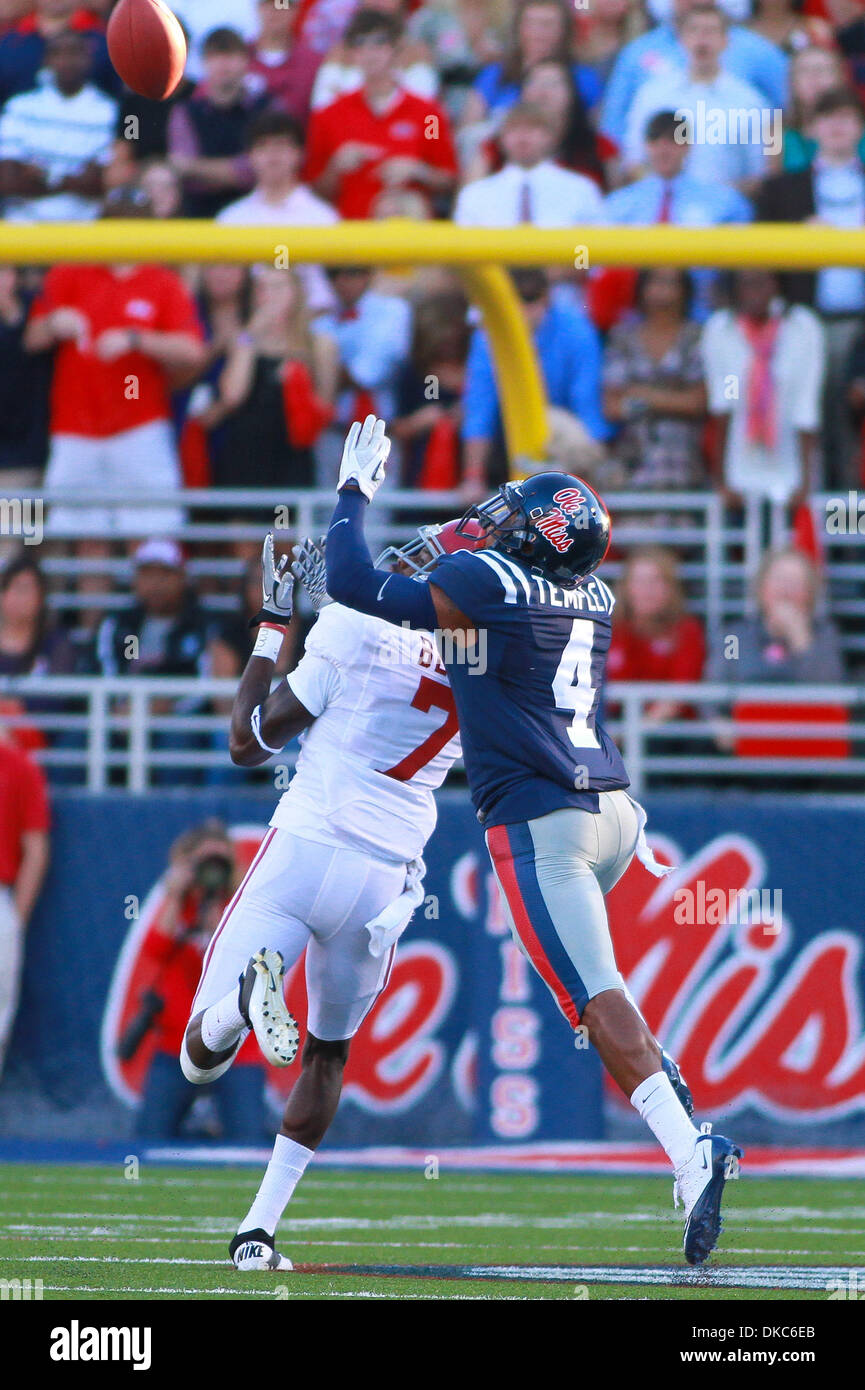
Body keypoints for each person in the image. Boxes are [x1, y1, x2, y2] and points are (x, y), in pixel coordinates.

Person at [324, 415, 742, 1268]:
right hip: (615, 812)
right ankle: (669, 1098)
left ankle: (688, 1146)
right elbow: (473, 600)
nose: (500, 514)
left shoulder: (487, 583)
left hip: (542, 818)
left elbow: (353, 583)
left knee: (594, 997)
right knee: (601, 993)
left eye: (517, 510)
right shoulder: (594, 593)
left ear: (537, 533)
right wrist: (455, 540)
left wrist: (351, 494)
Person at [179, 517, 480, 1271]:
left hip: (308, 847)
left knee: (198, 1058)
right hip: (384, 878)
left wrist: (270, 625)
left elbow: (248, 742)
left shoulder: (352, 626)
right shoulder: (492, 658)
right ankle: (258, 1233)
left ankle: (240, 1006)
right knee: (327, 1054)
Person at [24, 186, 206, 539]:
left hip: (141, 425)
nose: (124, 229)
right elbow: (32, 338)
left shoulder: (162, 281)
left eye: (134, 222)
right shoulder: (71, 271)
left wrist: (136, 339)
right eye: (117, 220)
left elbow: (193, 350)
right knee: (83, 538)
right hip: (75, 427)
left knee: (153, 536)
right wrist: (55, 322)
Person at [132, 821, 268, 1142]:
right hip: (176, 1043)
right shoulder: (180, 907)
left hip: (235, 1046)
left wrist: (217, 924)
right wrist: (177, 896)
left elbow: (248, 965)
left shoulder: (241, 907)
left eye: (219, 863)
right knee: (151, 1138)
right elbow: (156, 950)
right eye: (204, 863)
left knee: (247, 1142)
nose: (212, 873)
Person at [757, 87, 865, 486]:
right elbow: (759, 265)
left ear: (859, 127)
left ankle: (851, 542)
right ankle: (803, 532)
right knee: (802, 423)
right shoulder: (782, 189)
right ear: (813, 127)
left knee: (849, 431)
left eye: (847, 116)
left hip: (860, 327)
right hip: (801, 323)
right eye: (828, 116)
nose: (837, 125)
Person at [461, 268, 609, 495]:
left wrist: (588, 477)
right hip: (506, 441)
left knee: (559, 426)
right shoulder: (486, 335)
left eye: (529, 299)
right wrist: (473, 477)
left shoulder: (577, 330)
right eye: (512, 299)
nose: (521, 309)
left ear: (546, 298)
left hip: (570, 444)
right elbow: (480, 410)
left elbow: (587, 405)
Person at [304, 9, 457, 219]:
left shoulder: (428, 115)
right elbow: (312, 192)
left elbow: (448, 178)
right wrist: (336, 167)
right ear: (351, 54)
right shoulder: (328, 115)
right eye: (360, 44)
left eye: (379, 42)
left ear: (395, 50)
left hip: (409, 237)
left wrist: (418, 171)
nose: (369, 52)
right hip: (351, 238)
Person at [700, 269, 824, 506]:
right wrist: (721, 479)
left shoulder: (801, 328)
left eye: (761, 282)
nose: (754, 292)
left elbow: (805, 407)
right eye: (746, 283)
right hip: (740, 462)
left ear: (777, 284)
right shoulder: (724, 330)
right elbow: (726, 401)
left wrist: (806, 481)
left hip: (790, 462)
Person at [209, 266, 339, 490]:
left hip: (293, 459)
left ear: (297, 292)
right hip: (245, 457)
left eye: (278, 287)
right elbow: (232, 395)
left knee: (289, 524)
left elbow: (325, 408)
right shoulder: (243, 339)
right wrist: (250, 336)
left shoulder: (319, 344)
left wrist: (296, 385)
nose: (269, 296)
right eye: (262, 288)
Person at [622, 4, 773, 193]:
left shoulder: (751, 102)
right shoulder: (651, 95)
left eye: (710, 31)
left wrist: (716, 200)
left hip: (724, 216)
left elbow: (761, 174)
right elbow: (632, 159)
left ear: (726, 41)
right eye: (694, 30)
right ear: (681, 39)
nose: (702, 39)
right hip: (661, 215)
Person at [600, 0, 788, 144]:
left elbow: (786, 111)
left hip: (734, 181)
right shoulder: (637, 53)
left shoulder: (757, 50)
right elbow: (612, 125)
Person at [216, 112, 338, 317]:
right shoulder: (230, 218)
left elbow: (328, 290)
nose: (273, 155)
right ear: (250, 156)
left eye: (281, 145)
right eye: (263, 146)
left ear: (299, 154)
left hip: (314, 323)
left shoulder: (323, 217)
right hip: (250, 324)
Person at [602, 267, 707, 491]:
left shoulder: (697, 336)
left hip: (684, 466)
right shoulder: (623, 337)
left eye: (671, 283)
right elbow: (612, 407)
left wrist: (639, 395)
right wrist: (674, 399)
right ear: (642, 289)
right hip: (634, 464)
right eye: (656, 282)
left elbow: (698, 403)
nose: (663, 291)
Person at [0, 29, 117, 222]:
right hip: (21, 224)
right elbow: (7, 180)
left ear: (88, 58)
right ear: (46, 60)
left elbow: (102, 182)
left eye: (74, 52)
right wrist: (72, 180)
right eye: (58, 54)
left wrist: (46, 179)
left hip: (86, 225)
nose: (66, 61)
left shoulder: (111, 112)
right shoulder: (18, 107)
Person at [167, 26, 272, 220]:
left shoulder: (264, 109)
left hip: (257, 214)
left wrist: (197, 169)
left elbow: (257, 170)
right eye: (215, 57)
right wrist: (235, 170)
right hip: (199, 216)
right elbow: (180, 167)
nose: (223, 65)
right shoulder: (185, 112)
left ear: (245, 61)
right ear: (204, 63)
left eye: (230, 56)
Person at [705, 547, 845, 685]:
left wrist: (801, 638)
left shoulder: (824, 636)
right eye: (779, 579)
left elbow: (830, 689)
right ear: (761, 588)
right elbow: (716, 692)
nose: (786, 590)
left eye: (796, 582)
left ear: (810, 594)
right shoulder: (734, 637)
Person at [453, 101, 604, 225]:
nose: (522, 136)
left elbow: (594, 253)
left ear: (551, 136)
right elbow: (463, 257)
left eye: (533, 128)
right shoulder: (474, 195)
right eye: (514, 128)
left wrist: (571, 262)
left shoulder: (581, 190)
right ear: (501, 138)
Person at [0, 717, 50, 1078]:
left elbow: (35, 848)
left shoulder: (18, 766)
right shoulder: (19, 765)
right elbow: (36, 848)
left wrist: (15, 917)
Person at [607, 547, 706, 724]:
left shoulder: (687, 631)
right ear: (626, 587)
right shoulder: (609, 630)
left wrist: (635, 733)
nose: (647, 590)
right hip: (615, 727)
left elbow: (681, 692)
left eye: (656, 581)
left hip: (671, 732)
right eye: (639, 581)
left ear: (671, 589)